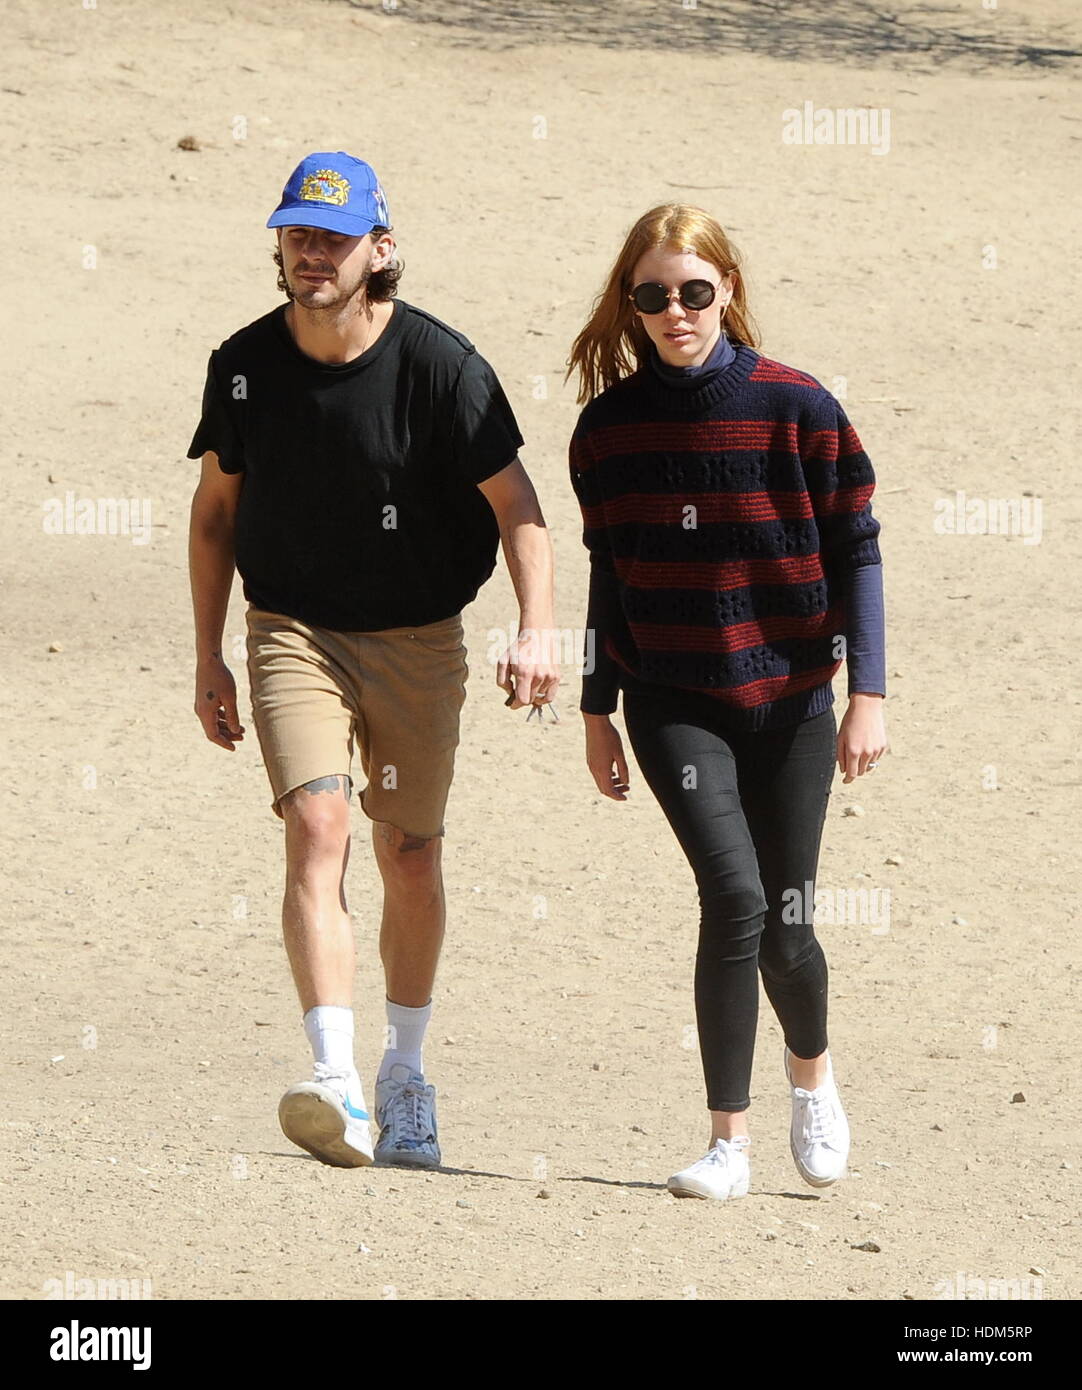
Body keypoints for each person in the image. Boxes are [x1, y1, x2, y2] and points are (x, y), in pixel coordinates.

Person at [187, 151, 559, 1171]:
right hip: (289, 629)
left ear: (378, 250)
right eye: (297, 235)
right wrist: (208, 655)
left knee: (408, 852)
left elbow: (519, 508)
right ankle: (334, 1079)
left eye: (333, 237)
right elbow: (217, 511)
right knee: (316, 825)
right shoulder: (245, 364)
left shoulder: (442, 368)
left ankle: (403, 1069)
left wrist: (536, 627)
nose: (311, 253)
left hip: (415, 640)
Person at [566, 204, 887, 1200]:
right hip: (670, 699)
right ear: (631, 305)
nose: (675, 311)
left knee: (787, 921)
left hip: (790, 696)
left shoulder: (798, 407)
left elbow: (857, 549)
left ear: (727, 290)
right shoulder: (607, 430)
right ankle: (726, 1144)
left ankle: (812, 1083)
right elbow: (604, 572)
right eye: (652, 295)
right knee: (734, 898)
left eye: (693, 291)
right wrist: (593, 708)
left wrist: (865, 693)